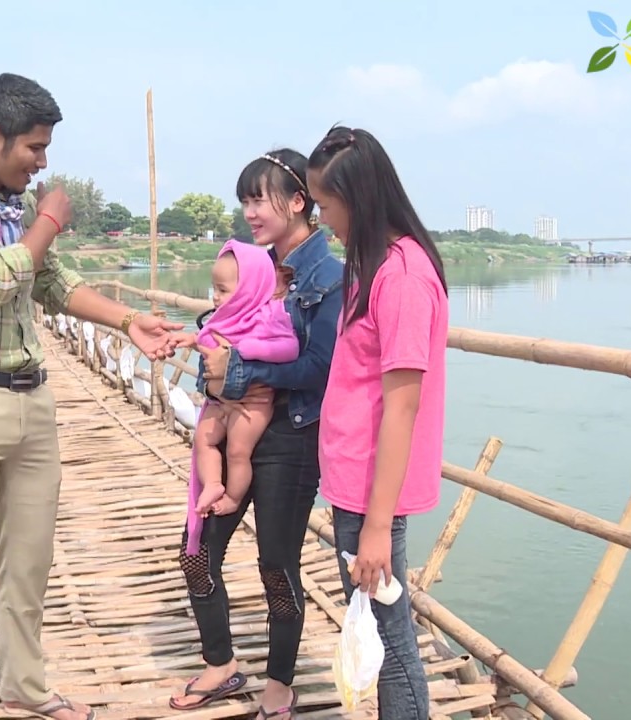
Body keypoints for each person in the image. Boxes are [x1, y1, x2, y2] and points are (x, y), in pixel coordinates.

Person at [0, 72, 185, 720]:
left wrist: (126, 321)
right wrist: (50, 218)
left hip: (30, 397)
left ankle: (23, 684)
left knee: (28, 565)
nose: (43, 163)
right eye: (34, 148)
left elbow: (51, 281)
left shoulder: (8, 206)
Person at [170, 150, 344, 720]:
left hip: (291, 438)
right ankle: (220, 665)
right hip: (229, 431)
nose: (249, 211)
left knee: (276, 564)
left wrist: (238, 370)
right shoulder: (248, 267)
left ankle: (280, 681)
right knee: (197, 554)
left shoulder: (330, 276)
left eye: (259, 198)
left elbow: (319, 367)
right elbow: (215, 338)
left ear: (298, 202)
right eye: (244, 200)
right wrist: (219, 372)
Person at [306, 125, 449, 720]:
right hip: (355, 483)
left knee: (391, 644)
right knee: (381, 632)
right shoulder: (375, 264)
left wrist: (376, 526)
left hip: (373, 494)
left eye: (326, 205)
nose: (322, 218)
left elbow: (403, 405)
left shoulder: (404, 277)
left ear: (358, 199)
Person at [184, 239, 300, 519]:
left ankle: (233, 497)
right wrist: (191, 340)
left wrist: (241, 352)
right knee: (204, 440)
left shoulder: (268, 317)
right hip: (219, 400)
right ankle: (212, 484)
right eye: (215, 289)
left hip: (253, 404)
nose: (215, 297)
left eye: (223, 290)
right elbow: (207, 345)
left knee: (237, 450)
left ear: (249, 290)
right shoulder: (222, 319)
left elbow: (290, 348)